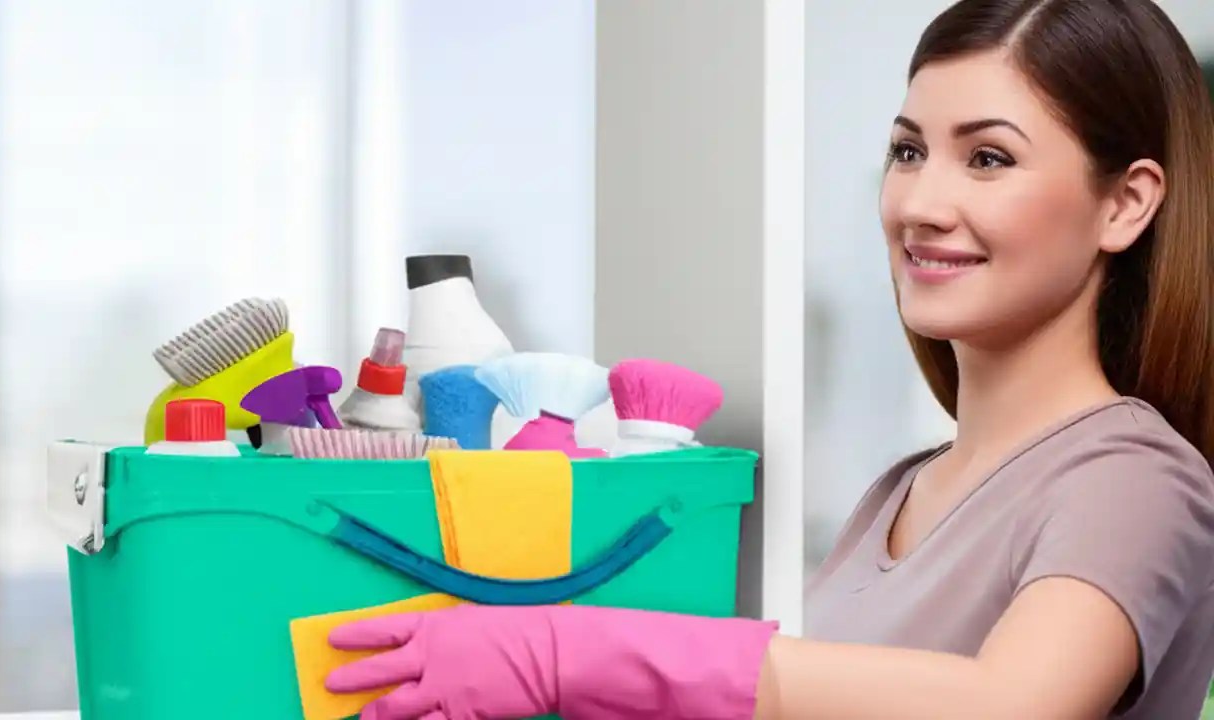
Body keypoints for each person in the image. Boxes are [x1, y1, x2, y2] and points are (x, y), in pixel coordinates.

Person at [322, 0, 1214, 717]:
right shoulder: (901, 492)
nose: (921, 203)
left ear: (1124, 206)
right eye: (908, 151)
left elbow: (1012, 704)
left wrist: (575, 653)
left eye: (987, 158)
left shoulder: (1132, 476)